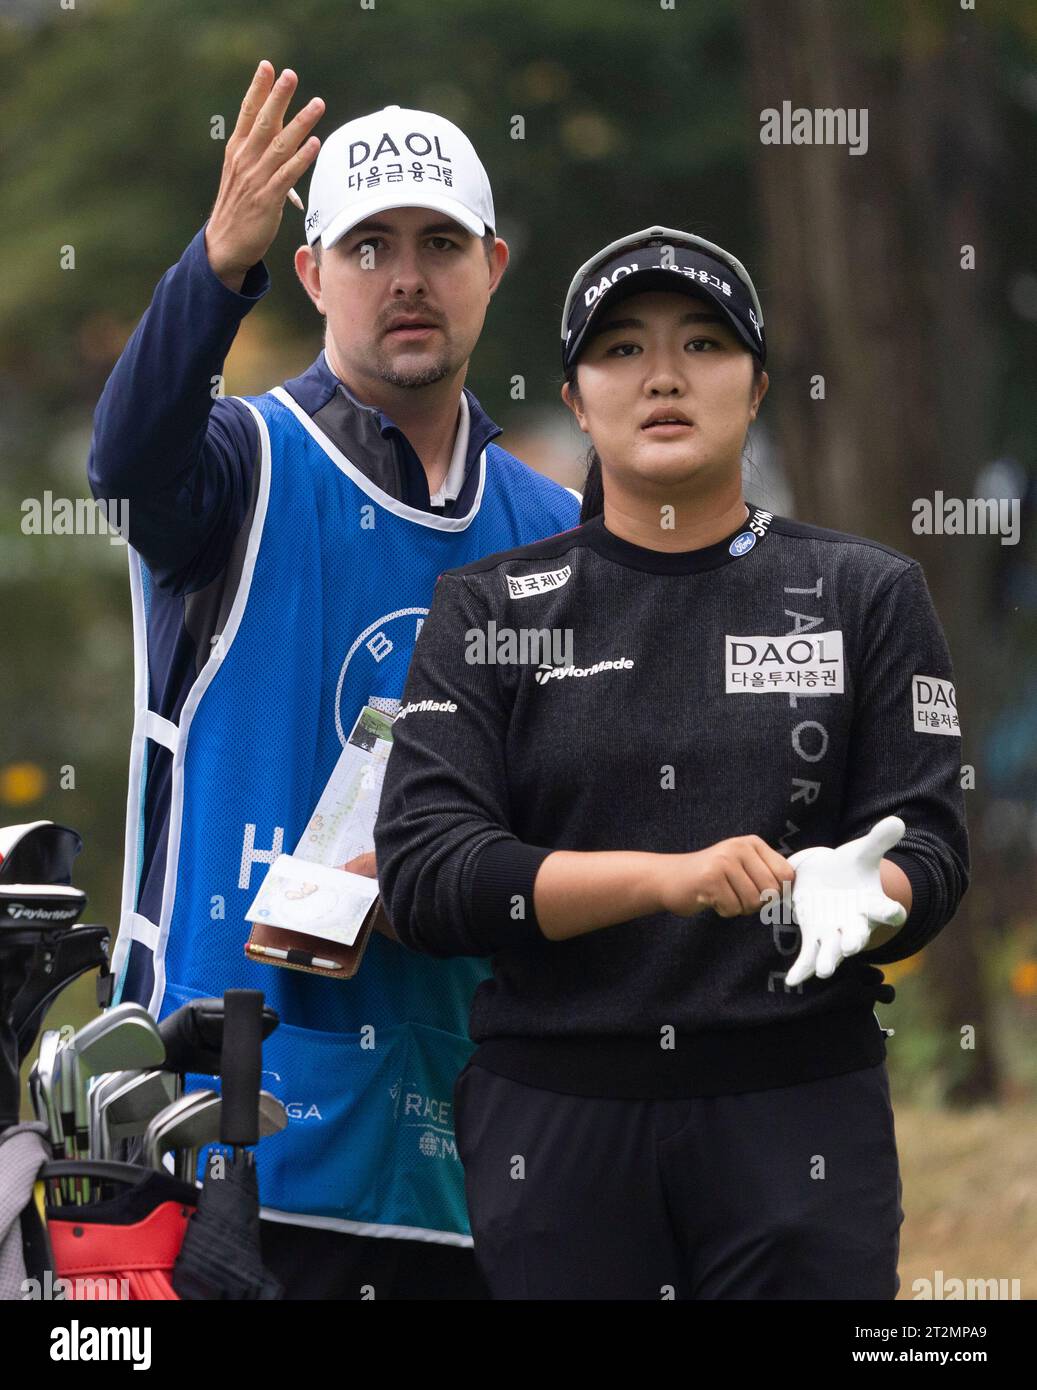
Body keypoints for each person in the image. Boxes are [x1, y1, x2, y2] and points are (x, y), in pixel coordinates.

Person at [373, 225, 970, 1300]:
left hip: (797, 1118)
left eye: (702, 344)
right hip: (553, 1128)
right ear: (576, 392)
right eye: (619, 350)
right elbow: (428, 875)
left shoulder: (863, 593)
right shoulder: (486, 608)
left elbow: (926, 848)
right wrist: (667, 879)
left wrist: (869, 894)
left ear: (756, 388)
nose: (661, 376)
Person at [86, 61, 580, 1299]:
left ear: (492, 267)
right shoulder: (237, 466)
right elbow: (126, 457)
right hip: (221, 1140)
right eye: (366, 245)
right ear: (310, 275)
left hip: (472, 1151)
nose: (405, 276)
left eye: (437, 242)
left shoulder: (562, 532)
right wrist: (212, 270)